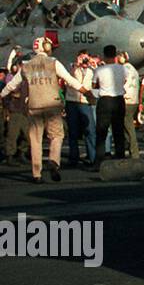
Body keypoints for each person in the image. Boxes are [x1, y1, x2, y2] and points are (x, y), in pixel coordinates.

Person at [0, 37, 91, 182]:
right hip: (52, 105)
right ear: (46, 46)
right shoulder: (53, 63)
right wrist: (86, 92)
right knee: (57, 136)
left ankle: (37, 174)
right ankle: (54, 161)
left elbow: (12, 85)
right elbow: (70, 79)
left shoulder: (26, 66)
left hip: (34, 106)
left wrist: (1, 94)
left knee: (35, 140)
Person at [92, 44, 129, 165]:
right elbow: (124, 81)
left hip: (105, 100)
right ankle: (120, 157)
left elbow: (94, 85)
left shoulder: (99, 70)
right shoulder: (123, 69)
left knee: (101, 131)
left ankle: (99, 160)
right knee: (118, 130)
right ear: (115, 55)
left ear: (104, 55)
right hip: (119, 99)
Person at [64, 50, 98, 167]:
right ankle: (73, 157)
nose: (84, 60)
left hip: (85, 102)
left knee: (90, 130)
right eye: (82, 57)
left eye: (86, 58)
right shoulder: (72, 67)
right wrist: (76, 65)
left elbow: (97, 80)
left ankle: (93, 157)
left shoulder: (92, 70)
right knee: (73, 131)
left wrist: (94, 64)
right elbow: (67, 78)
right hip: (72, 101)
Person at [117, 51, 141, 159]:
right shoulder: (133, 69)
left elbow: (121, 82)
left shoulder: (123, 69)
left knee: (128, 127)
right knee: (127, 126)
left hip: (126, 100)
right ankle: (130, 148)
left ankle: (134, 151)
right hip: (134, 100)